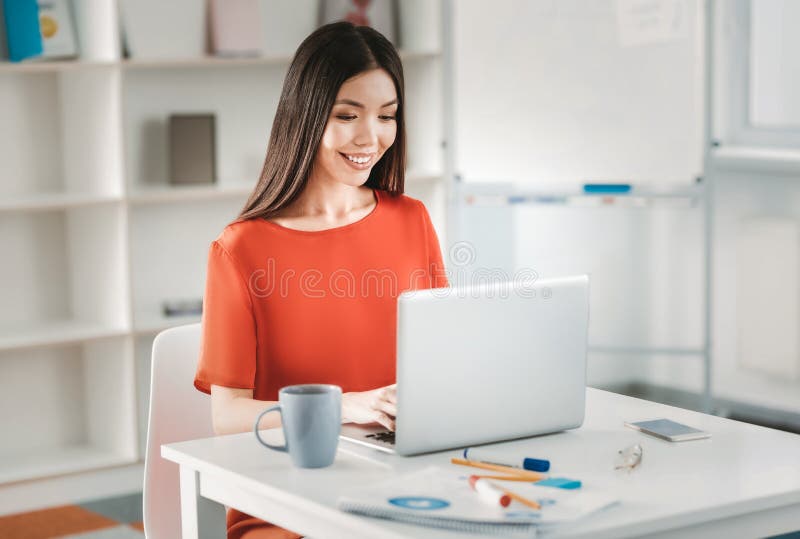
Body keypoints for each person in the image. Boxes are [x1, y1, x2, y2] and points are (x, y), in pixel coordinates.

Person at [193, 21, 448, 539]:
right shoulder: (241, 249)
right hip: (288, 501)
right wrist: (345, 405)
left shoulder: (412, 219)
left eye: (387, 116)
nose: (369, 137)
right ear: (306, 117)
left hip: (406, 481)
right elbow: (228, 415)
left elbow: (444, 361)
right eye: (347, 115)